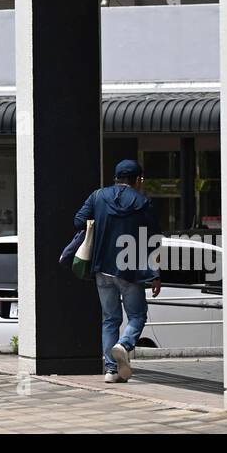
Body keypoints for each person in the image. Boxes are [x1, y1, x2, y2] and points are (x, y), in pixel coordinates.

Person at [73, 160, 161, 384]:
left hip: (102, 268)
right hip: (130, 269)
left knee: (110, 319)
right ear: (138, 179)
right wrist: (155, 274)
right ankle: (124, 344)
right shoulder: (143, 202)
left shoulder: (98, 196)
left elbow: (78, 221)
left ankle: (111, 371)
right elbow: (153, 240)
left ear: (116, 178)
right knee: (138, 315)